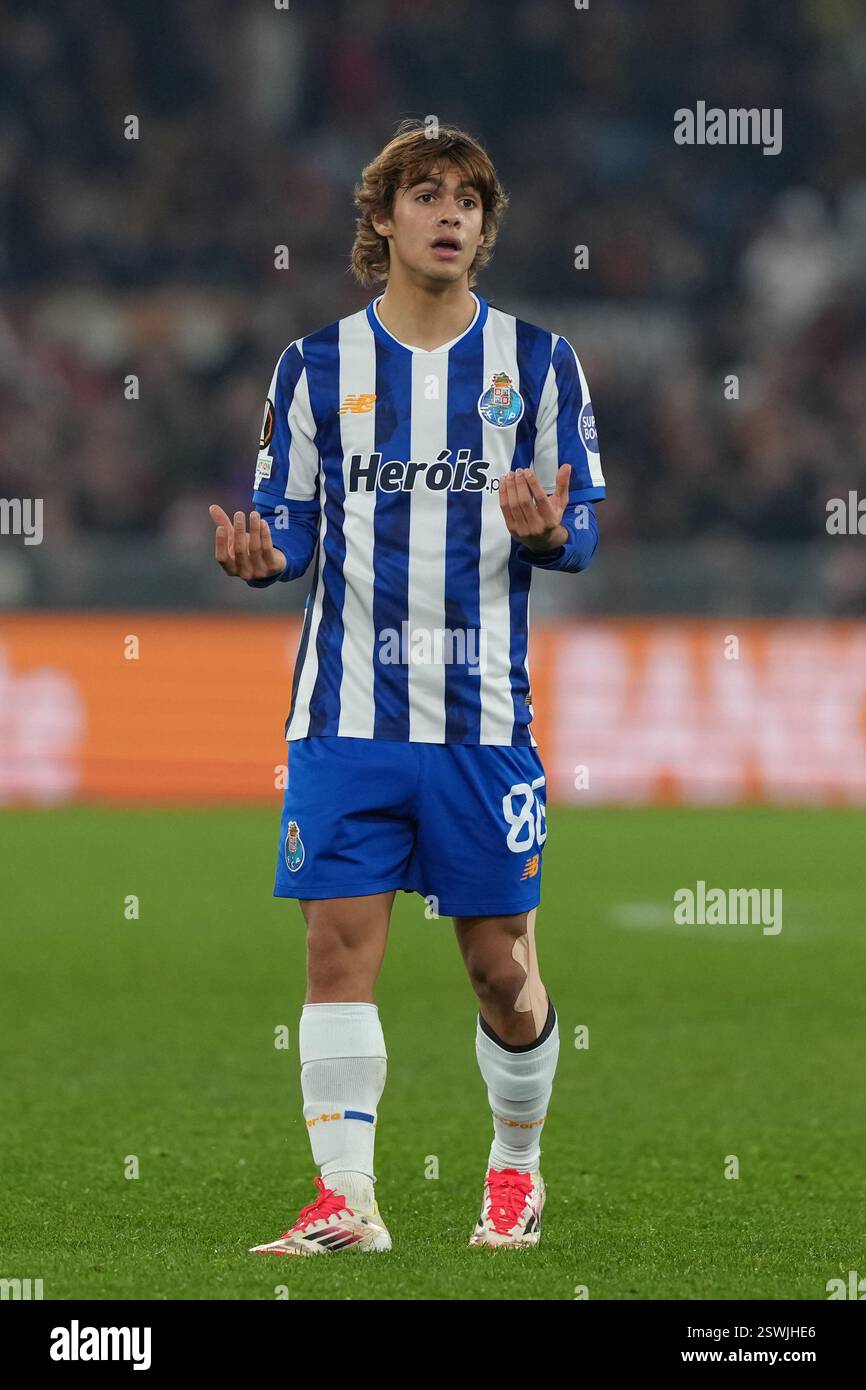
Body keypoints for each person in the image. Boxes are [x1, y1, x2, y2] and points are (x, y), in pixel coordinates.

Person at [209, 119, 605, 1254]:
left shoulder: (535, 361)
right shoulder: (315, 366)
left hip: (480, 722)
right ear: (379, 218)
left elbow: (577, 529)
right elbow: (282, 525)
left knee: (500, 971)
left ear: (483, 230)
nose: (448, 215)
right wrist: (258, 556)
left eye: (467, 201)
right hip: (343, 719)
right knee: (336, 947)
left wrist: (544, 530)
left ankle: (515, 1170)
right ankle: (347, 1200)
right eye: (424, 195)